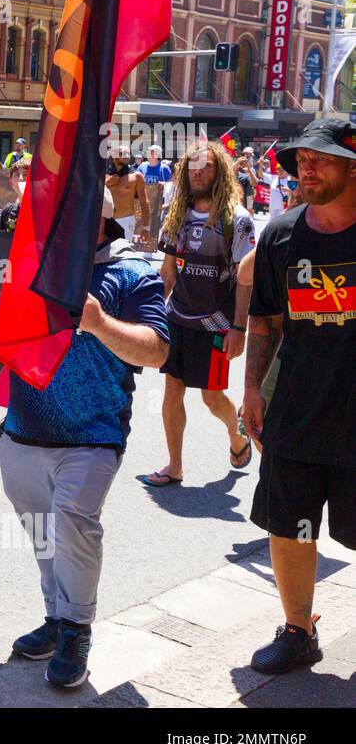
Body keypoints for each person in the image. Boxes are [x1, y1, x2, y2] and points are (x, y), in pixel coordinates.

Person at [0, 187, 169, 688]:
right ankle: (57, 617)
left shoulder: (132, 272)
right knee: (42, 530)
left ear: (93, 223)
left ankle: (78, 630)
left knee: (74, 525)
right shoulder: (31, 265)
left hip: (92, 433)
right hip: (23, 430)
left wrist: (100, 323)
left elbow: (157, 351)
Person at [242, 118, 356, 675]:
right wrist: (250, 390)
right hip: (297, 409)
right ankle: (298, 631)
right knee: (290, 524)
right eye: (301, 158)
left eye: (323, 158)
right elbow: (264, 318)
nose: (306, 166)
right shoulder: (281, 235)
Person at [143, 142, 256, 486]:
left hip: (217, 322)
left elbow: (245, 280)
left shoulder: (238, 220)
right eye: (192, 167)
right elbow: (167, 273)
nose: (198, 172)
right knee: (172, 389)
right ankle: (174, 465)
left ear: (219, 170)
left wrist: (239, 328)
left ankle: (237, 435)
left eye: (205, 166)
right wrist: (149, 317)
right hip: (178, 316)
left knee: (211, 398)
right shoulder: (176, 215)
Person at [104, 142, 150, 243]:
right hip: (105, 220)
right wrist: (105, 184)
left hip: (125, 221)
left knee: (122, 254)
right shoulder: (104, 175)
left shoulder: (136, 176)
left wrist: (146, 228)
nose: (126, 155)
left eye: (128, 153)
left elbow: (144, 202)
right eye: (122, 153)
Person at [0, 157, 29, 233]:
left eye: (26, 174)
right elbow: (1, 241)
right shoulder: (8, 210)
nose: (21, 178)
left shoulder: (45, 211)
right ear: (11, 182)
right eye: (17, 174)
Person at [140, 145, 171, 249]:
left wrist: (163, 184)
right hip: (144, 200)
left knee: (155, 223)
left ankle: (152, 245)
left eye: (152, 152)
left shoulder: (164, 168)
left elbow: (169, 185)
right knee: (142, 222)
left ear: (158, 154)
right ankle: (140, 244)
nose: (149, 155)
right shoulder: (142, 166)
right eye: (148, 152)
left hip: (157, 201)